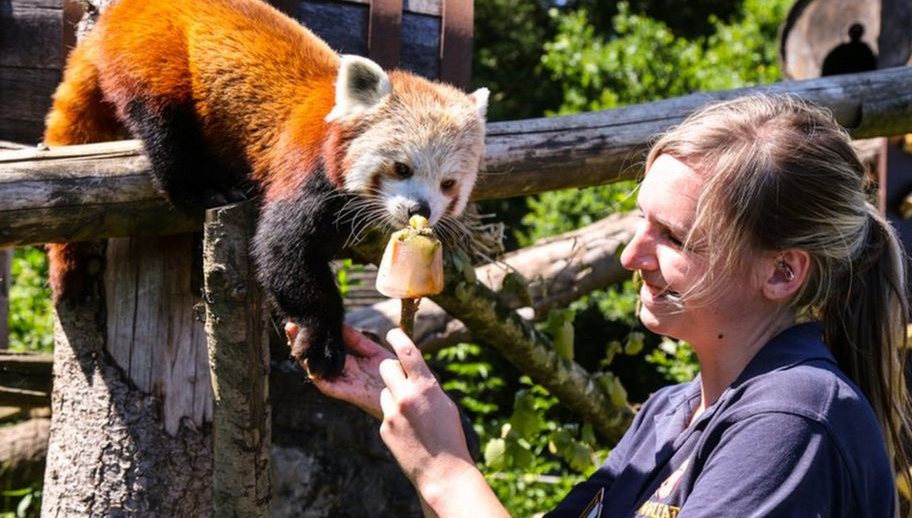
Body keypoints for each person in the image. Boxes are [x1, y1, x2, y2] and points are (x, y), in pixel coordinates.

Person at [286, 94, 912, 517]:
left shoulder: (792, 423)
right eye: (642, 220)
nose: (632, 255)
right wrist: (416, 426)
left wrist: (446, 471)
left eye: (673, 237)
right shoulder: (669, 413)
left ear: (781, 272)